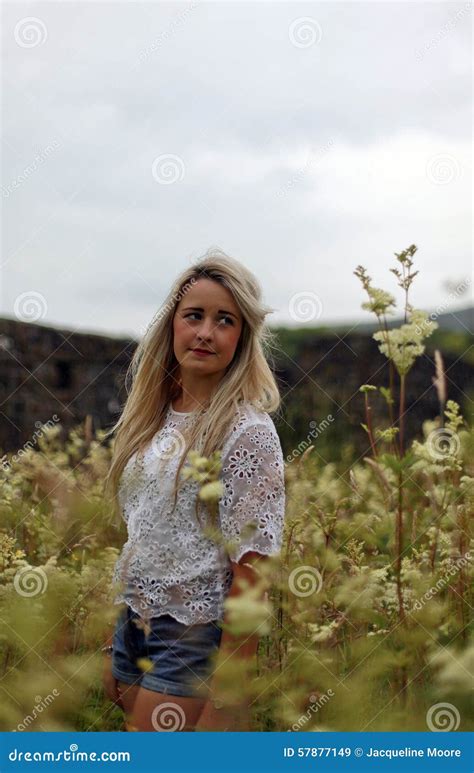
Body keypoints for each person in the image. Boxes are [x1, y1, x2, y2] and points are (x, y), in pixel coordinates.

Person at [102, 248, 286, 731]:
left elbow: (253, 570)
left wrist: (227, 695)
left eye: (225, 320)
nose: (206, 332)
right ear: (172, 325)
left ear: (242, 337)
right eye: (194, 316)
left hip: (191, 635)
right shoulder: (151, 416)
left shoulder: (248, 431)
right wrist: (115, 638)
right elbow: (142, 536)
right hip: (132, 624)